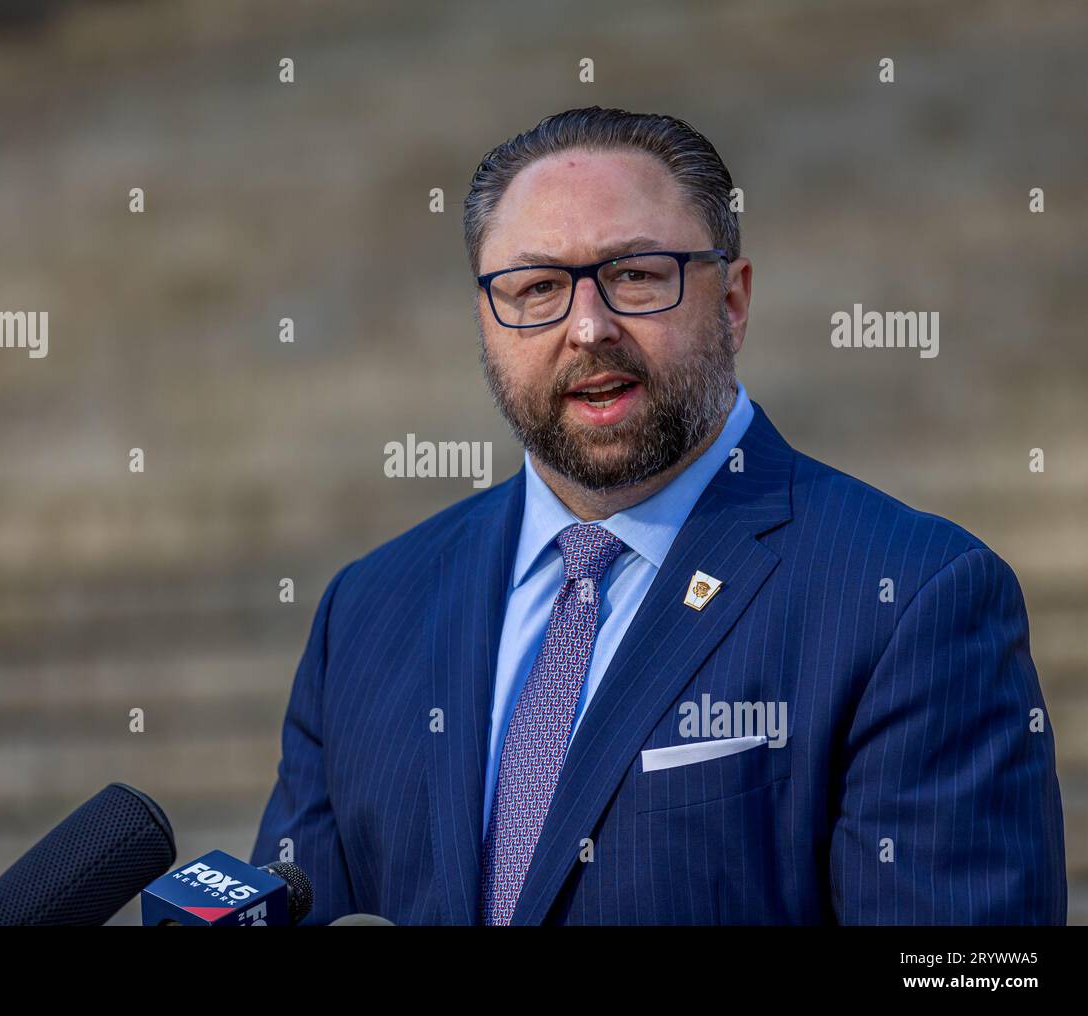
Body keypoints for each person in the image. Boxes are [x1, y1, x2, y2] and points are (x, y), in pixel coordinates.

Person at [252, 106, 1066, 925]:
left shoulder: (910, 598)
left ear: (735, 302)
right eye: (535, 287)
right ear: (485, 324)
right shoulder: (364, 614)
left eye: (637, 274)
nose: (588, 328)